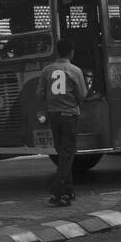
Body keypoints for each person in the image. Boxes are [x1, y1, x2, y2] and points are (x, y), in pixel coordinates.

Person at [35, 37, 87, 207]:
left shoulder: (47, 70)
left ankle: (68, 191)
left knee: (63, 154)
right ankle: (58, 190)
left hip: (54, 117)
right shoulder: (75, 71)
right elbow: (82, 95)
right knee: (68, 154)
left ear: (57, 52)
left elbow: (40, 94)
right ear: (71, 53)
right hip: (70, 116)